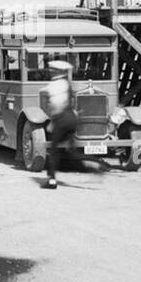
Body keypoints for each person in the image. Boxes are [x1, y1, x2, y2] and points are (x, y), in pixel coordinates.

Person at [43, 61, 77, 190]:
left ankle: (52, 180)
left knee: (54, 150)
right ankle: (98, 165)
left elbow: (56, 105)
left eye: (52, 70)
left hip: (61, 119)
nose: (50, 71)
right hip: (72, 119)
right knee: (73, 152)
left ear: (55, 72)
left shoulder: (53, 85)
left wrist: (52, 122)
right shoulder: (67, 84)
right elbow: (72, 102)